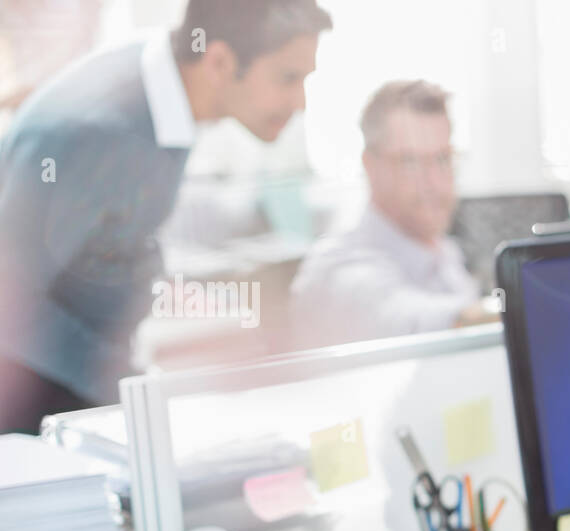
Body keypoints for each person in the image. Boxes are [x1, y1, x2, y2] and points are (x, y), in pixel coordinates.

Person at [0, 0, 332, 434]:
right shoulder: (94, 131)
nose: (301, 102)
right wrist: (126, 379)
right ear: (219, 61)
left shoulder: (168, 88)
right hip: (33, 409)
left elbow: (118, 232)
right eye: (288, 78)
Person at [289, 80, 492, 352]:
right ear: (370, 166)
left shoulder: (444, 252)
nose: (433, 181)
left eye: (443, 159)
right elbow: (403, 319)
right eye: (410, 162)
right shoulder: (336, 270)